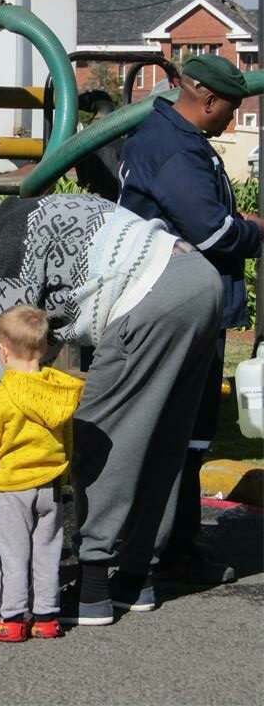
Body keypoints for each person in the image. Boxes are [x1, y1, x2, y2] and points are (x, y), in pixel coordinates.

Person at [0, 193, 223, 625]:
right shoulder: (35, 208)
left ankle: (93, 592)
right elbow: (37, 342)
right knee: (162, 438)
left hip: (148, 299)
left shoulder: (2, 246)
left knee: (98, 435)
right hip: (200, 281)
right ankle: (135, 579)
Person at [118, 54, 264, 585]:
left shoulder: (163, 136)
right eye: (230, 109)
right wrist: (253, 230)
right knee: (178, 435)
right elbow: (213, 234)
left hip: (175, 306)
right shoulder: (175, 149)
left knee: (183, 434)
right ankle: (166, 554)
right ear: (207, 100)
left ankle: (167, 546)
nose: (232, 119)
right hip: (181, 310)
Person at [0, 304, 83, 642]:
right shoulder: (58, 392)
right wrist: (64, 477)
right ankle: (46, 617)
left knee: (12, 555)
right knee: (48, 551)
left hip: (11, 490)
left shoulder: (0, 398)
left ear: (2, 351)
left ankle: (13, 619)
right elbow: (67, 439)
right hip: (50, 487)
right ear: (44, 348)